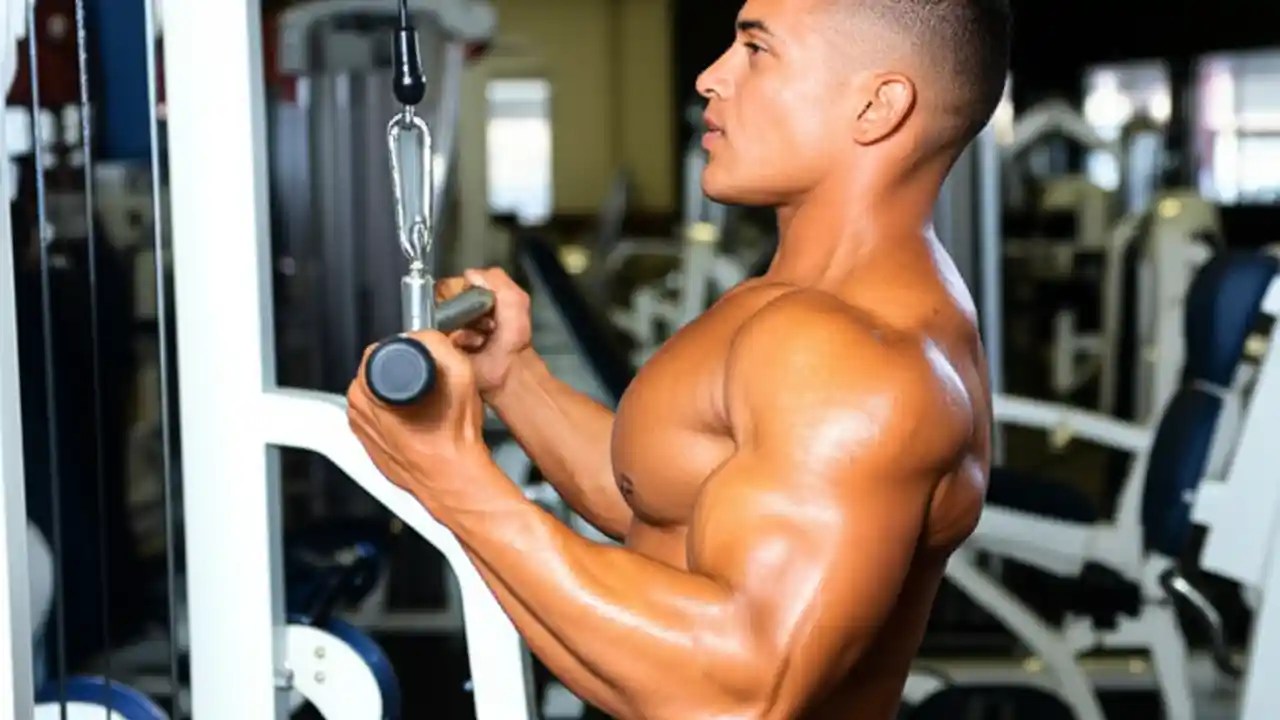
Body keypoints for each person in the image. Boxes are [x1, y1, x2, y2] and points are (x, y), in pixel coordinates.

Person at [348, 0, 1009, 716]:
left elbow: (742, 694)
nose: (708, 78)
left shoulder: (850, 353)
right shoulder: (801, 303)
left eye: (757, 51)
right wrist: (513, 377)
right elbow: (660, 492)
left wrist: (457, 482)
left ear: (876, 106)